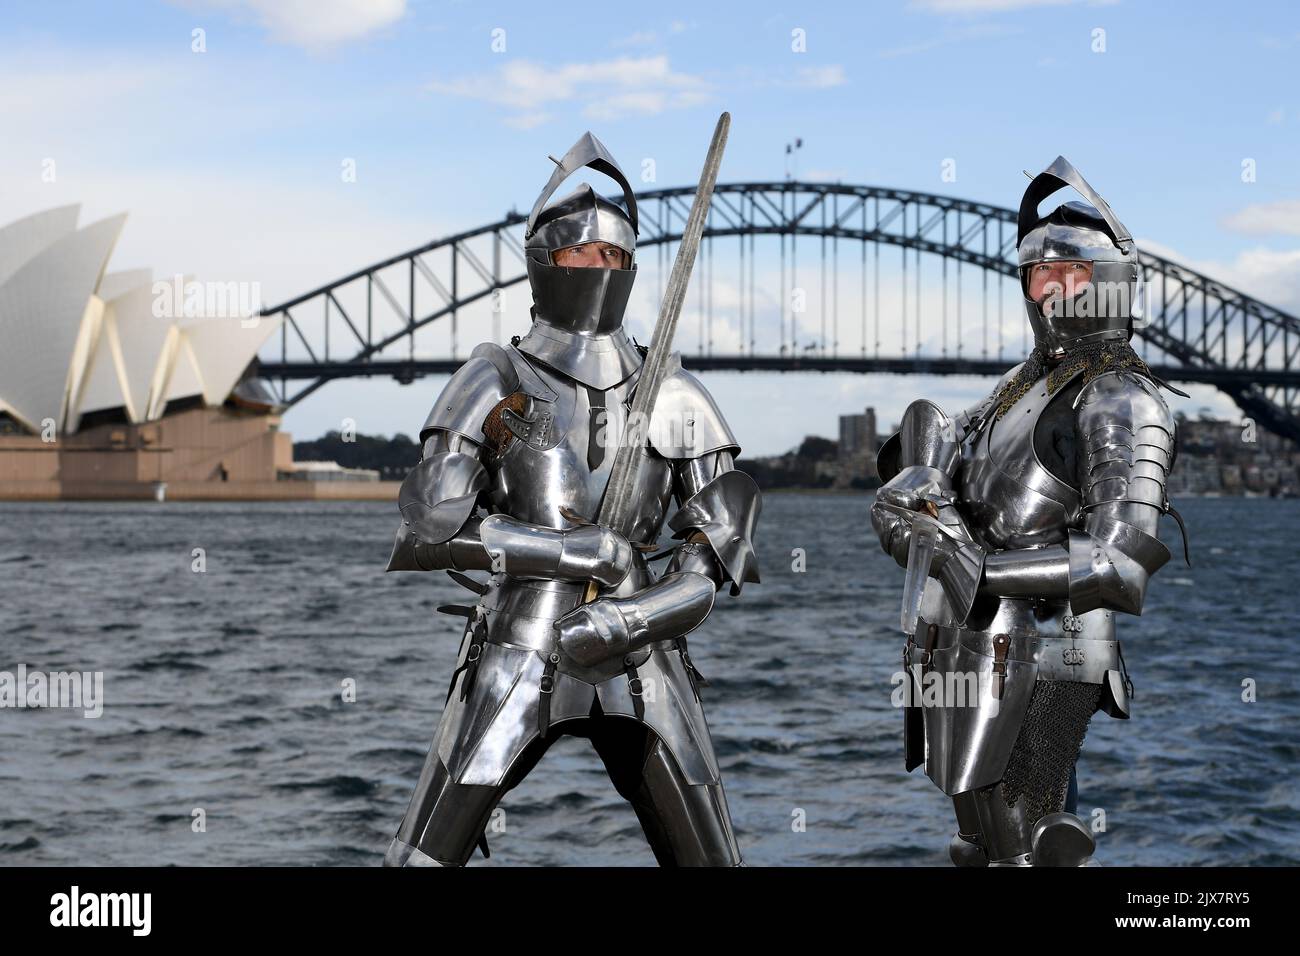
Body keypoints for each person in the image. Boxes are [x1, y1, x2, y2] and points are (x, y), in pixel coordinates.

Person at [383, 131, 761, 867]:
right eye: (581, 254)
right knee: (422, 860)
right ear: (542, 265)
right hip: (518, 641)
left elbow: (713, 562)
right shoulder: (494, 378)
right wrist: (572, 549)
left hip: (645, 651)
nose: (599, 267)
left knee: (713, 862)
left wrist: (630, 614)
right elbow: (424, 536)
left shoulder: (674, 389)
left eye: (615, 256)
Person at [871, 156, 1184, 866]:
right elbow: (939, 476)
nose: (1052, 289)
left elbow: (1120, 562)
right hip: (965, 636)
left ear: (1108, 286)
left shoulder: (1122, 398)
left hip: (1056, 645)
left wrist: (975, 568)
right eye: (1039, 273)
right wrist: (908, 501)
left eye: (1072, 274)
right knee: (976, 841)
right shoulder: (1021, 385)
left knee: (1029, 837)